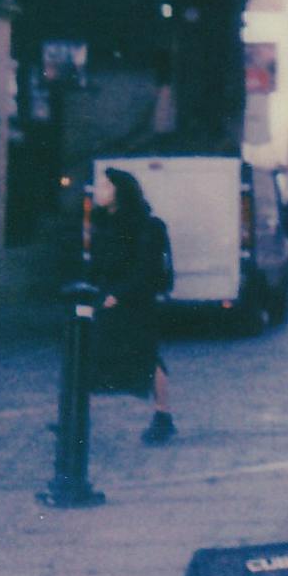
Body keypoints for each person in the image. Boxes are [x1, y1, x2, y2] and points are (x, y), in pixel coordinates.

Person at [90, 168, 177, 445]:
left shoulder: (147, 226)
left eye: (105, 186)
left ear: (120, 191)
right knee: (92, 352)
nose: (98, 191)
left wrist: (121, 294)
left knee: (148, 358)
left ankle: (163, 416)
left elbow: (148, 268)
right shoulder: (104, 223)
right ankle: (75, 418)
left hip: (135, 303)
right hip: (107, 299)